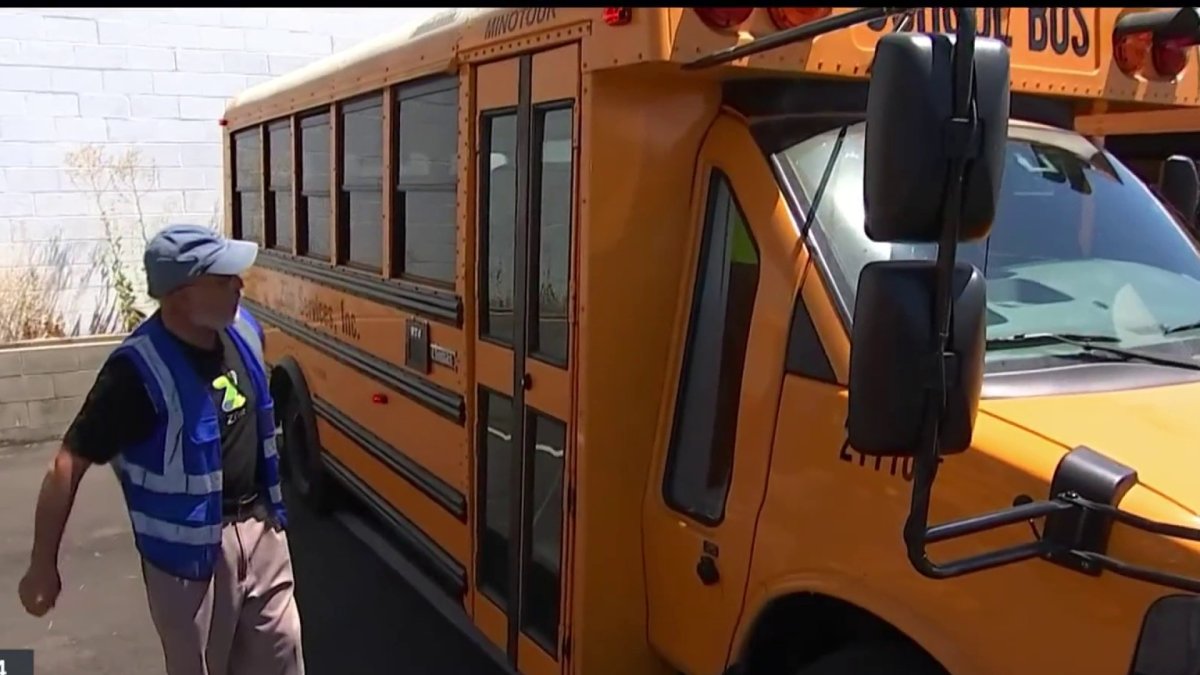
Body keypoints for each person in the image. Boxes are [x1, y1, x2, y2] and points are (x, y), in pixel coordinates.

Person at [18, 224, 306, 675]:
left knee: (282, 655)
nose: (240, 285)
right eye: (222, 279)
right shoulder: (134, 375)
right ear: (179, 296)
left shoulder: (244, 331)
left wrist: (268, 525)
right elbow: (65, 466)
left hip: (262, 531)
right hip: (189, 560)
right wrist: (42, 566)